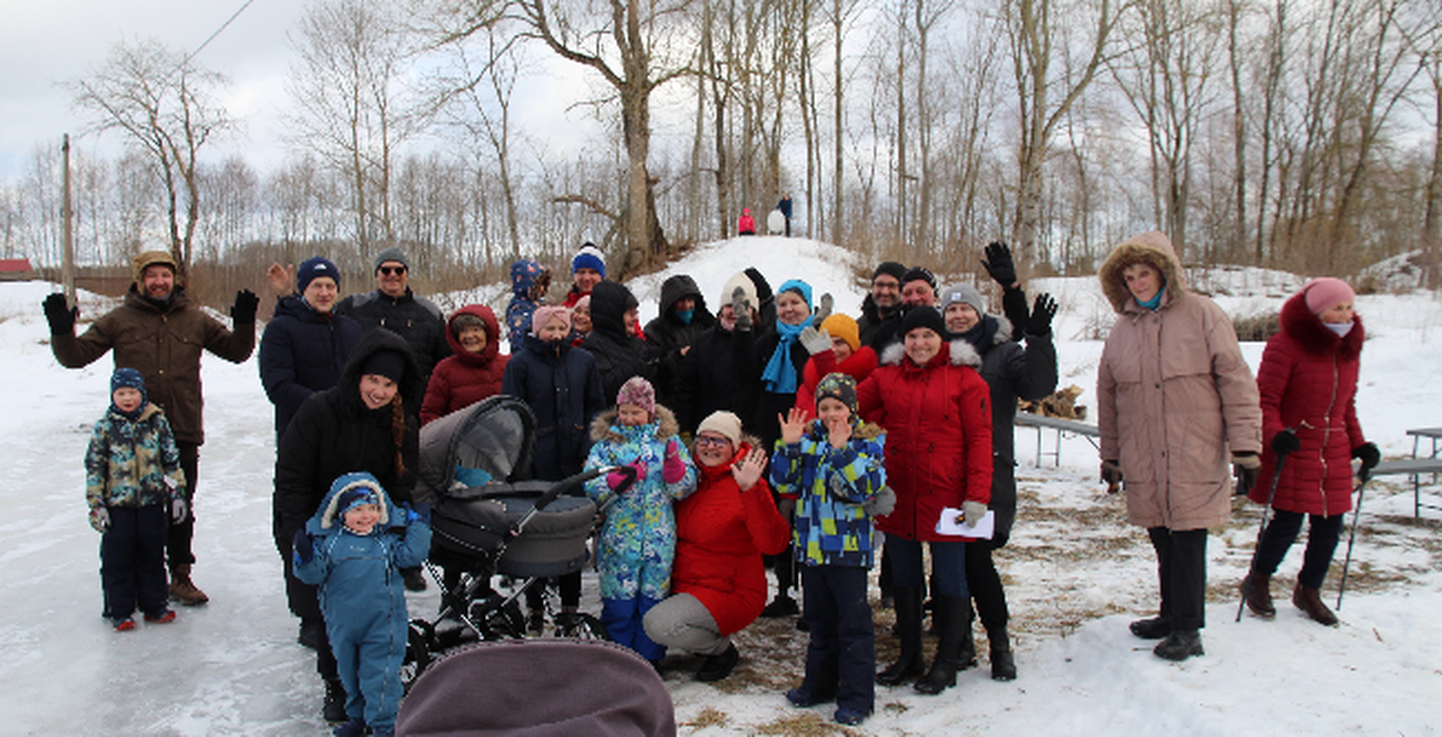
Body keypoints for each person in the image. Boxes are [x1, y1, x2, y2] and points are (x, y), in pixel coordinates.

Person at [46, 249, 258, 606]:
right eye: (151, 276)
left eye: (165, 275)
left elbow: (236, 352)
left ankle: (180, 575)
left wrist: (245, 324)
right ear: (140, 280)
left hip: (182, 429)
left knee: (180, 506)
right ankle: (139, 580)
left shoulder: (194, 318)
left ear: (175, 278)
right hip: (132, 438)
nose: (159, 282)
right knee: (134, 512)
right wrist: (62, 332)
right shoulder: (119, 320)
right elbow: (74, 357)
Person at [1096, 231, 1261, 661]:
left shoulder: (1204, 314)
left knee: (1188, 538)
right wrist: (1111, 455)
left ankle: (1189, 629)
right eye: (1129, 276)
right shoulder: (1121, 330)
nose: (1138, 282)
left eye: (1144, 272)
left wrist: (1246, 448)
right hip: (1144, 453)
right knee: (1161, 536)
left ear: (1164, 271)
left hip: (1194, 449)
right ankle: (1171, 614)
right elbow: (1109, 396)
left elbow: (1237, 382)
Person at [273, 328, 423, 722]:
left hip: (369, 530)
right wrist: (298, 534)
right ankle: (337, 685)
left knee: (371, 610)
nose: (378, 390)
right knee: (331, 616)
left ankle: (376, 684)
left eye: (388, 384)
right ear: (357, 374)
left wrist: (400, 526)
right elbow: (292, 477)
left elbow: (401, 482)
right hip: (318, 527)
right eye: (372, 379)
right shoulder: (318, 411)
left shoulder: (401, 423)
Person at [858, 305, 993, 695]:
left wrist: (977, 495)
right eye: (912, 336)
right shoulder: (887, 377)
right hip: (900, 493)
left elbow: (981, 440)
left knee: (950, 577)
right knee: (904, 575)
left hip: (948, 495)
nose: (919, 344)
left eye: (928, 336)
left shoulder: (967, 381)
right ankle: (910, 655)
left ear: (942, 339)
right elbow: (848, 404)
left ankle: (948, 660)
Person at [1240, 278, 1378, 627]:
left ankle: (1309, 590)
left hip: (1334, 448)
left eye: (1348, 306)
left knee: (1331, 525)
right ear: (1316, 311)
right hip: (1294, 445)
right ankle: (1257, 580)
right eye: (1336, 307)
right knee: (1288, 520)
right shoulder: (1284, 345)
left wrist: (1360, 444)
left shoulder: (1348, 349)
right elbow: (1265, 401)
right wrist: (1276, 435)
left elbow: (1346, 407)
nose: (1344, 314)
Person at [938, 282, 1058, 680]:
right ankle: (961, 640)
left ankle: (999, 641)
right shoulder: (935, 356)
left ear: (979, 312)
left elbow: (1038, 387)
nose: (957, 316)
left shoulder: (1004, 353)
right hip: (945, 477)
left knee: (977, 559)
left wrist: (1039, 339)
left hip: (989, 475)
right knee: (950, 563)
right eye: (950, 311)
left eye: (964, 309)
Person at [643, 411, 789, 682]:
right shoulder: (689, 479)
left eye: (719, 441)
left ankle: (720, 650)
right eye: (704, 439)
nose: (710, 446)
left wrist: (751, 491)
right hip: (686, 583)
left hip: (729, 589)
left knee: (657, 624)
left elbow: (774, 544)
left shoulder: (746, 481)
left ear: (734, 445)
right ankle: (696, 630)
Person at [773, 375, 885, 726]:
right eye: (825, 408)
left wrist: (841, 451)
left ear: (852, 410)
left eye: (838, 407)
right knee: (819, 622)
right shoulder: (808, 443)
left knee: (853, 625)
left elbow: (864, 488)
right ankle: (819, 684)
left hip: (847, 552)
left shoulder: (868, 445)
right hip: (812, 550)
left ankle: (856, 697)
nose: (831, 414)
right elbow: (784, 482)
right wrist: (789, 446)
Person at [293, 472, 431, 737]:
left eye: (373, 508)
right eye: (358, 509)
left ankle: (383, 727)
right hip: (343, 625)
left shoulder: (386, 543)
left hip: (382, 625)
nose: (366, 515)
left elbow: (413, 554)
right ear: (341, 512)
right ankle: (358, 718)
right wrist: (305, 556)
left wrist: (419, 525)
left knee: (379, 679)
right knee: (350, 675)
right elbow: (313, 576)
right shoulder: (329, 544)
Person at [583, 377, 698, 665]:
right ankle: (621, 660)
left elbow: (685, 487)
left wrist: (674, 470)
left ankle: (649, 660)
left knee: (652, 601)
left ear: (650, 411)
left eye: (636, 412)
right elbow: (590, 486)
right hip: (619, 540)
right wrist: (613, 480)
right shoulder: (607, 445)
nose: (629, 418)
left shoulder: (668, 443)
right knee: (619, 601)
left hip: (659, 541)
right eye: (624, 411)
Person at [86, 368, 187, 631]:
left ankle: (155, 606)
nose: (127, 398)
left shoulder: (156, 422)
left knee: (152, 555)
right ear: (112, 396)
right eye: (121, 393)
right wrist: (97, 506)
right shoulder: (105, 427)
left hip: (151, 503)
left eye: (132, 392)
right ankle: (119, 610)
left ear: (141, 394)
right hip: (118, 506)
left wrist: (177, 494)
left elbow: (170, 461)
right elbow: (95, 469)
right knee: (118, 558)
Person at [755, 278, 818, 619]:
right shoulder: (767, 341)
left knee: (805, 521)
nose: (789, 309)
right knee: (781, 518)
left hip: (807, 440)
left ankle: (812, 598)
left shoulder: (815, 343)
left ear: (809, 307)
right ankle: (784, 591)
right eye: (783, 304)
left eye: (796, 303)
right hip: (771, 438)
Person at [259, 256, 362, 438]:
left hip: (348, 433)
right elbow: (278, 386)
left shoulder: (351, 328)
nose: (324, 293)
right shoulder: (280, 328)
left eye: (330, 286)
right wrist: (327, 407)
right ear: (304, 289)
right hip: (301, 433)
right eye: (317, 286)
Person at [501, 306, 607, 481]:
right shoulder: (519, 364)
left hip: (576, 455)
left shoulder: (584, 361)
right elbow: (511, 416)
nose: (557, 335)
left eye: (562, 328)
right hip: (538, 457)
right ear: (537, 330)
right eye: (550, 329)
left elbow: (595, 408)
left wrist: (588, 447)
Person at [335, 247, 450, 385]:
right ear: (377, 274)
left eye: (399, 270)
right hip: (368, 396)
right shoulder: (353, 306)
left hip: (416, 396)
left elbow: (445, 361)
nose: (392, 275)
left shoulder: (429, 312)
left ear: (406, 274)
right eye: (385, 270)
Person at [674, 273, 763, 433]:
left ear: (753, 310)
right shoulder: (703, 342)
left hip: (751, 433)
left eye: (743, 306)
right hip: (711, 435)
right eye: (730, 305)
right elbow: (686, 390)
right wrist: (685, 431)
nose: (735, 311)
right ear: (721, 310)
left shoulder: (764, 340)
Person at [420, 305, 509, 425]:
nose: (469, 336)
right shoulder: (445, 370)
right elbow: (430, 414)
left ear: (488, 333)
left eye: (476, 329)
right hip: (461, 441)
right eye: (463, 331)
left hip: (507, 439)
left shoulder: (508, 365)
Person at [644, 274, 715, 409]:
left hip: (706, 397)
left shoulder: (706, 323)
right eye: (681, 301)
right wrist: (678, 356)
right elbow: (653, 369)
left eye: (690, 300)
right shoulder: (655, 331)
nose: (687, 306)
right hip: (674, 402)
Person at [582, 280, 657, 400]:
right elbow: (603, 388)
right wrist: (639, 366)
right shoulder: (592, 349)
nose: (635, 319)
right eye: (630, 314)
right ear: (613, 316)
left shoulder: (638, 343)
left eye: (635, 313)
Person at [794, 313, 878, 418]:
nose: (832, 349)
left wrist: (825, 360)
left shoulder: (869, 381)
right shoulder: (807, 384)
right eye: (826, 342)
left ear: (853, 347)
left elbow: (844, 414)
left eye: (839, 343)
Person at [867, 266, 938, 352]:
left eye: (921, 291)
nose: (914, 298)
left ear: (935, 296)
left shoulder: (948, 325)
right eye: (908, 293)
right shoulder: (887, 332)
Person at [857, 262, 906, 346]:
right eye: (880, 285)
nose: (885, 292)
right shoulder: (860, 326)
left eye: (892, 286)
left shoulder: (908, 326)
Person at [505, 259, 550, 349]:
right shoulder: (519, 308)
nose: (542, 288)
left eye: (544, 284)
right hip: (529, 356)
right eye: (538, 285)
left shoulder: (538, 304)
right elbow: (520, 336)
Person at [562, 243, 606, 308]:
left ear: (601, 276)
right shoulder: (562, 310)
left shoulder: (613, 307)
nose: (586, 278)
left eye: (592, 272)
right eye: (581, 272)